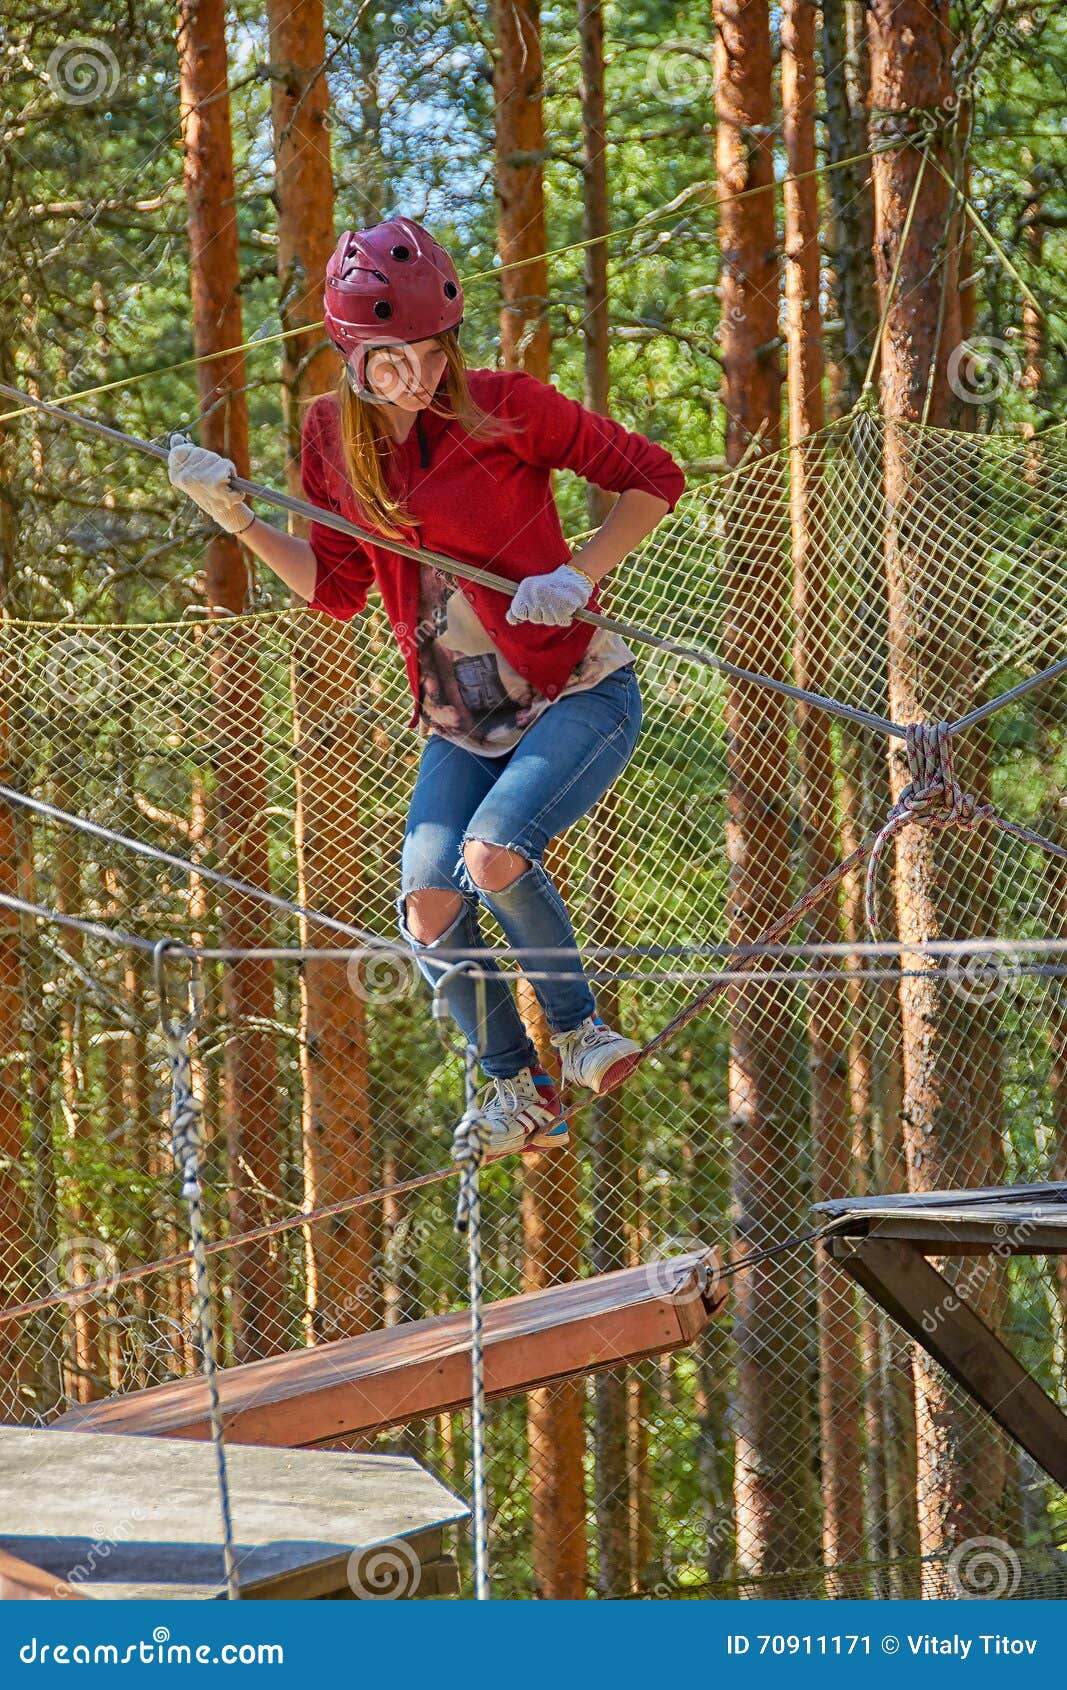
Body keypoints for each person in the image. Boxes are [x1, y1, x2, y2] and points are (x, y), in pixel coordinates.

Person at [169, 215, 686, 1161]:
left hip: (575, 690)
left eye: (428, 356)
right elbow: (333, 588)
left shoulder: (509, 405)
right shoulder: (332, 439)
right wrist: (235, 516)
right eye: (387, 363)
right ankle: (517, 1090)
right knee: (427, 906)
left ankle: (574, 1030)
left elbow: (653, 476)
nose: (414, 380)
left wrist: (579, 569)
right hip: (460, 720)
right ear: (350, 358)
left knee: (493, 857)